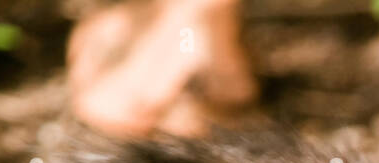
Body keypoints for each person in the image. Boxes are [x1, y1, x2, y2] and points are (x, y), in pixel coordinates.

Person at [67, 0, 256, 138]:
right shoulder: (109, 25)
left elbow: (233, 91)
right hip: (128, 122)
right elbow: (97, 104)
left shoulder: (197, 31)